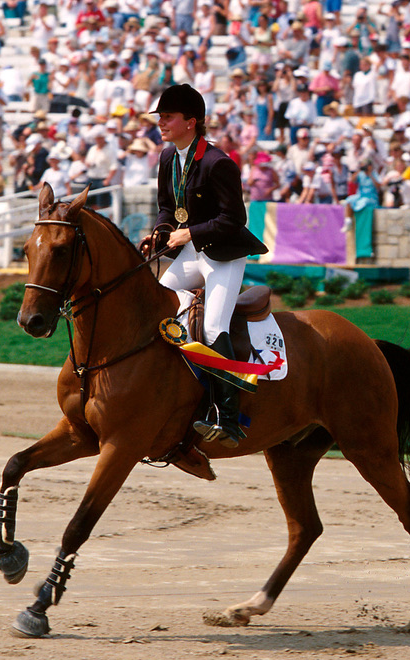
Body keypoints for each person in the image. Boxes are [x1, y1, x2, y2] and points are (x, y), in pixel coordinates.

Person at [142, 83, 268, 448]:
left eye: (168, 117)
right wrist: (161, 233)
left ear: (191, 122)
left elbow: (233, 218)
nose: (161, 123)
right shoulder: (168, 158)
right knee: (159, 307)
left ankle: (229, 418)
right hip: (193, 252)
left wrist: (188, 234)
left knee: (213, 328)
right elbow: (168, 208)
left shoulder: (218, 163)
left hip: (224, 255)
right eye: (160, 117)